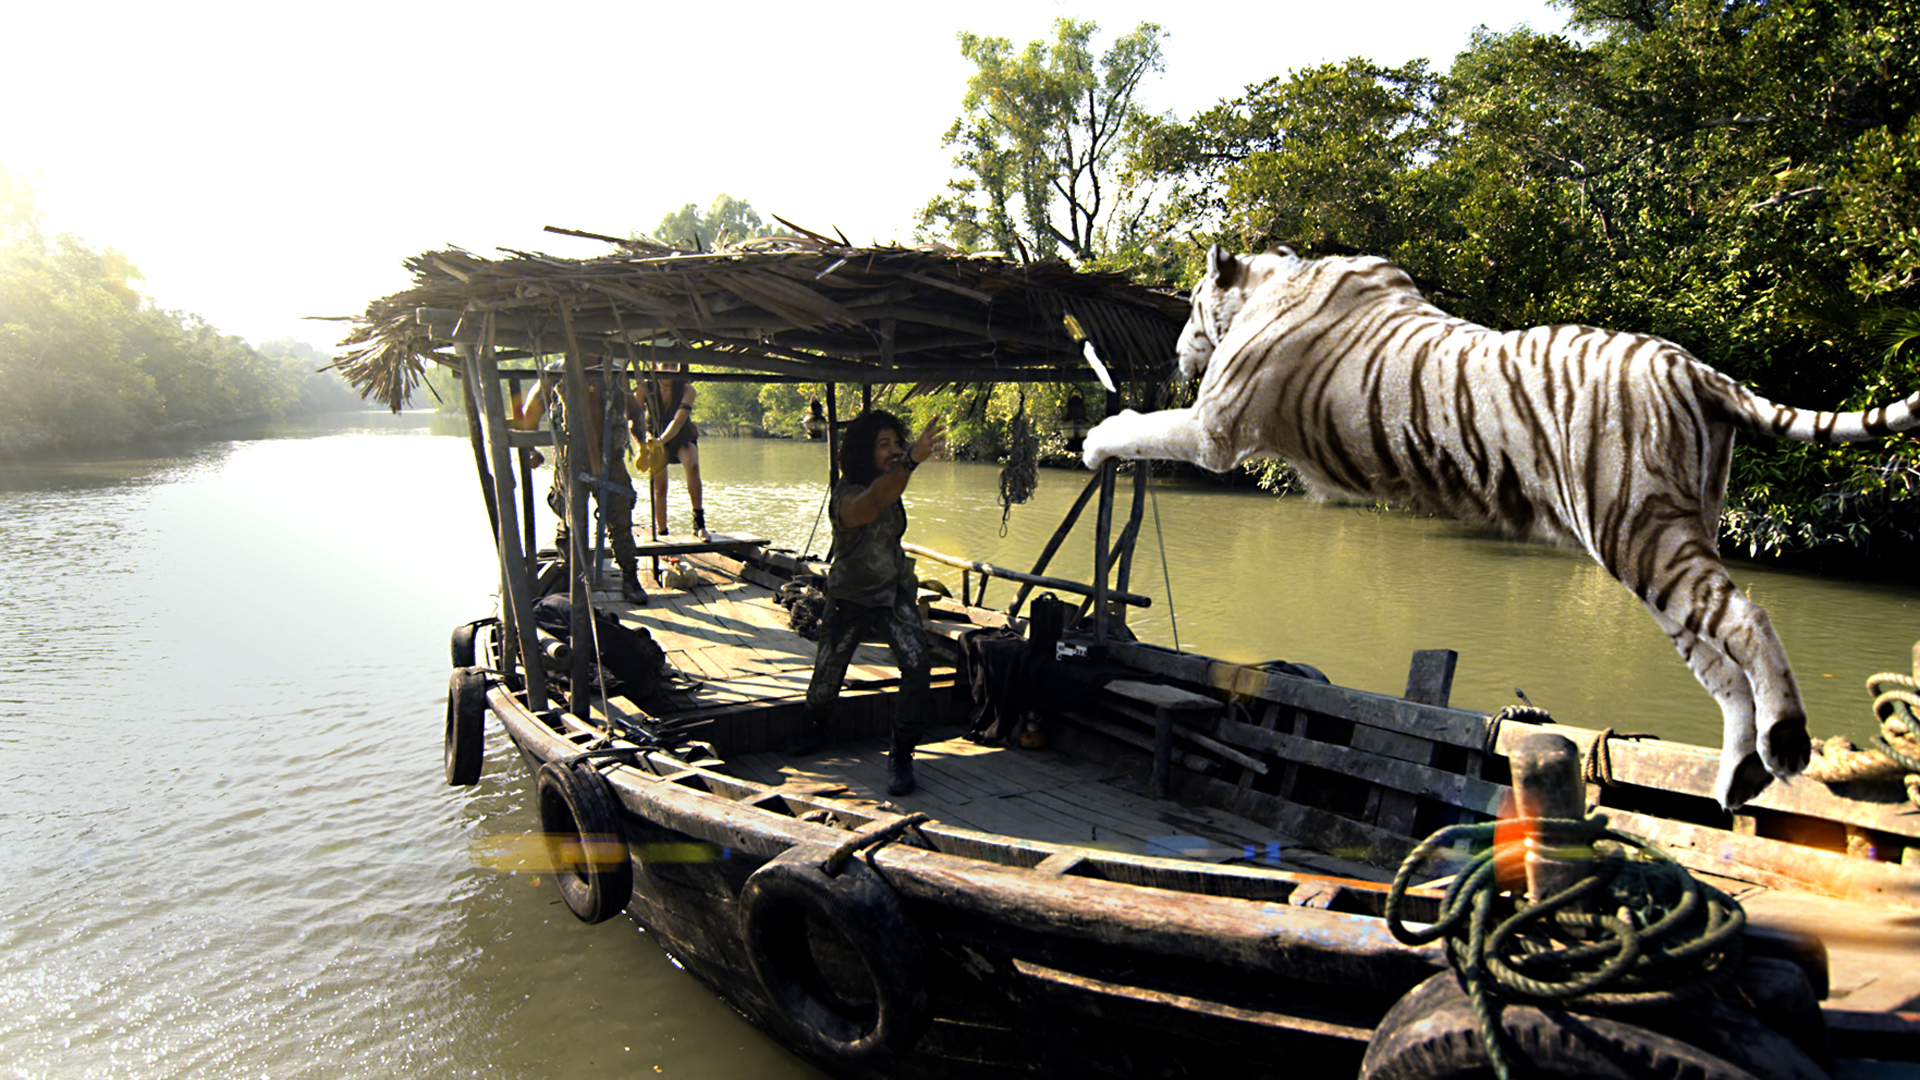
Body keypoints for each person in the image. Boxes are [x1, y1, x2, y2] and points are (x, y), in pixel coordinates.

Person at [791, 409, 948, 796]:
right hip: (849, 598)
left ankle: (902, 754)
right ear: (864, 453)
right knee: (826, 683)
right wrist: (911, 460)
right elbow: (874, 500)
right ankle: (816, 726)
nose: (894, 451)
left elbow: (890, 489)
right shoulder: (847, 495)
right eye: (884, 446)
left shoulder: (893, 484)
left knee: (917, 664)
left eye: (897, 443)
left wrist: (908, 463)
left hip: (892, 595)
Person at [513, 362, 648, 605]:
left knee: (620, 520)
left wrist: (642, 445)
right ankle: (573, 580)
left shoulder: (613, 373)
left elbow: (635, 412)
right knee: (571, 522)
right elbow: (531, 410)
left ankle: (629, 577)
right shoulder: (555, 373)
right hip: (570, 459)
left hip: (611, 458)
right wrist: (530, 447)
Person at [641, 365, 707, 539]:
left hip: (680, 436)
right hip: (653, 436)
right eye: (665, 365)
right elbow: (634, 417)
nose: (669, 369)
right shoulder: (645, 387)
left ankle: (699, 524)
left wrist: (661, 441)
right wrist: (646, 439)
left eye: (673, 365)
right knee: (660, 487)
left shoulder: (687, 389)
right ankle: (663, 533)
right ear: (656, 367)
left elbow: (678, 421)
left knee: (692, 466)